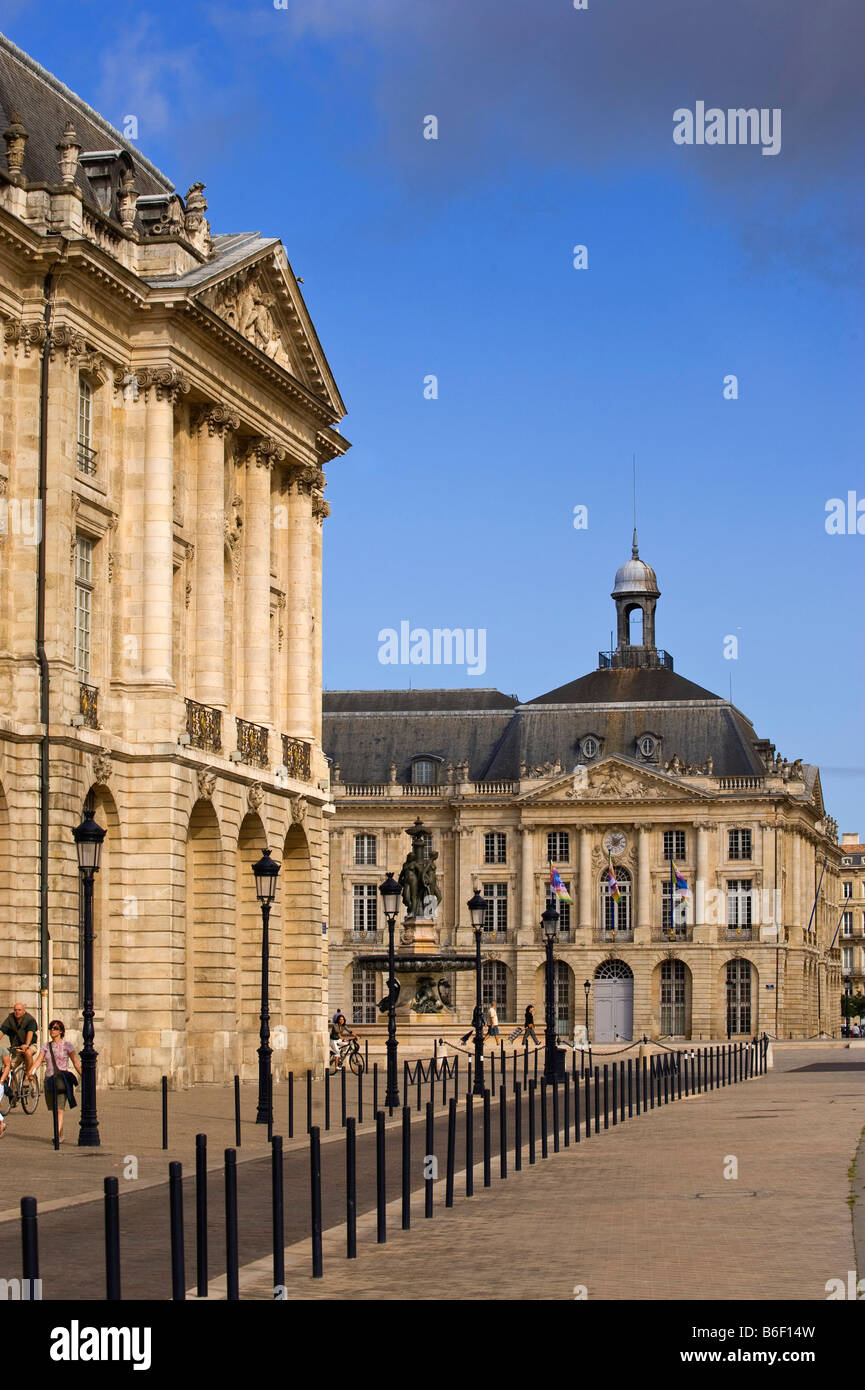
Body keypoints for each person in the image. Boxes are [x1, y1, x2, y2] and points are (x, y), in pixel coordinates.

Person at [36, 1020, 81, 1142]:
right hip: (49, 1080)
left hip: (62, 1080)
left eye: (55, 1028)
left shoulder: (67, 1045)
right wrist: (31, 1072)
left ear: (61, 1031)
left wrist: (84, 1075)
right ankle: (60, 1134)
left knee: (60, 1109)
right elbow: (39, 1060)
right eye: (51, 1028)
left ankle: (57, 1136)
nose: (52, 1030)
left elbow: (76, 1062)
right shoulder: (46, 1046)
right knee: (54, 1110)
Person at [0, 1002, 38, 1078]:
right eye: (15, 1010)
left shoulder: (30, 1019)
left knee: (28, 1053)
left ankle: (28, 1076)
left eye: (19, 1010)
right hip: (17, 1048)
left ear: (24, 1011)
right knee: (10, 1069)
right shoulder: (10, 1018)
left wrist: (26, 1045)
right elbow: (2, 1031)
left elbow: (30, 1032)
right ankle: (13, 1088)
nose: (17, 1012)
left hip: (30, 1045)